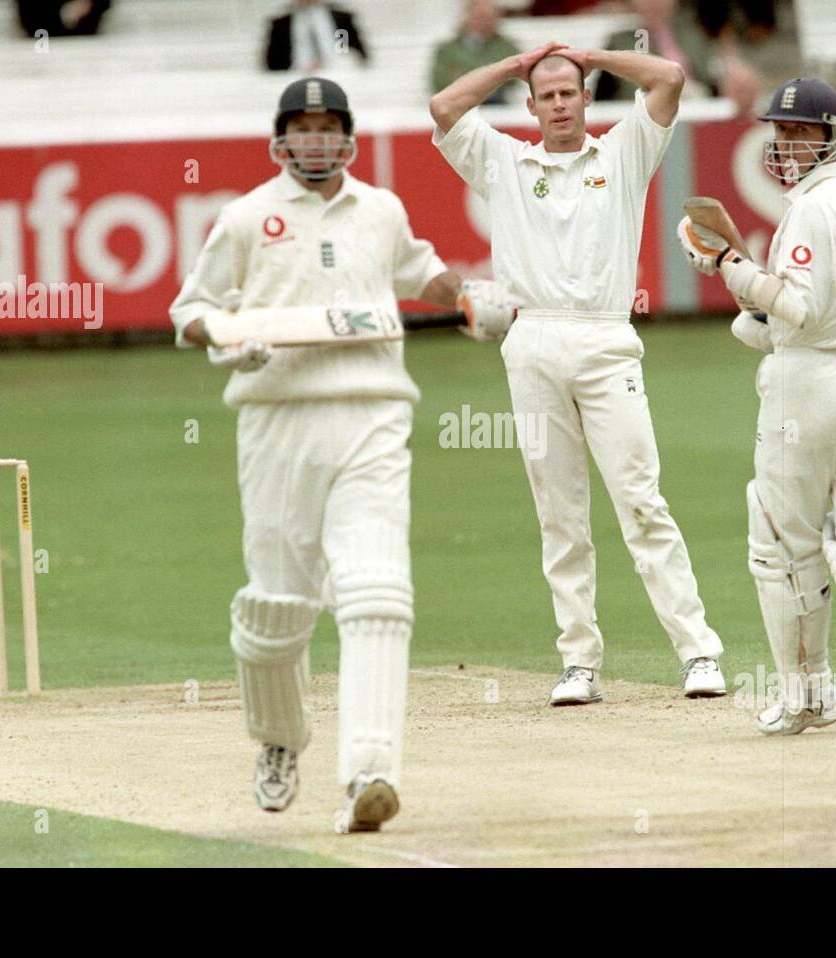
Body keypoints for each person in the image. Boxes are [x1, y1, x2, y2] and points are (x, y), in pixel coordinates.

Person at [169, 77, 507, 831]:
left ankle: (370, 773)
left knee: (377, 591)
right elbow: (190, 311)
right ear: (280, 139)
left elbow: (424, 274)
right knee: (277, 610)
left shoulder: (381, 210)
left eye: (330, 128)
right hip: (277, 418)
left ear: (348, 138)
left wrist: (470, 299)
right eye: (304, 128)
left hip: (374, 412)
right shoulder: (246, 217)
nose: (317, 141)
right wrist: (230, 338)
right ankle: (280, 739)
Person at [430, 43, 729, 707]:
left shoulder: (622, 153)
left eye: (571, 92)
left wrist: (584, 54)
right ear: (531, 106)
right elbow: (446, 106)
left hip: (604, 337)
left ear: (587, 97)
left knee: (641, 500)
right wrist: (516, 66)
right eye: (548, 95)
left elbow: (671, 76)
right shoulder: (507, 161)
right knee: (558, 512)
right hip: (531, 337)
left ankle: (698, 651)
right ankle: (579, 662)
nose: (560, 104)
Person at [677, 77, 836, 736]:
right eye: (779, 133)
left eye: (799, 133)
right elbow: (790, 313)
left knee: (780, 540)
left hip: (813, 386)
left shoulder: (811, 210)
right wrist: (753, 295)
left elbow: (800, 310)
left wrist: (727, 264)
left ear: (830, 137)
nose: (784, 145)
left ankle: (807, 695)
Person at [431, 0, 522, 105]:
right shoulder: (447, 49)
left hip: (496, 104)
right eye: (479, 16)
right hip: (457, 104)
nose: (484, 22)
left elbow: (513, 77)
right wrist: (493, 77)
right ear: (467, 17)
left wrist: (464, 78)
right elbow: (439, 81)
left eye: (488, 17)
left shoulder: (507, 47)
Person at [264, 0, 368, 72]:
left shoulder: (342, 18)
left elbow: (355, 51)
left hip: (337, 72)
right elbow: (272, 63)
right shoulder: (281, 23)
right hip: (295, 75)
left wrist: (340, 63)